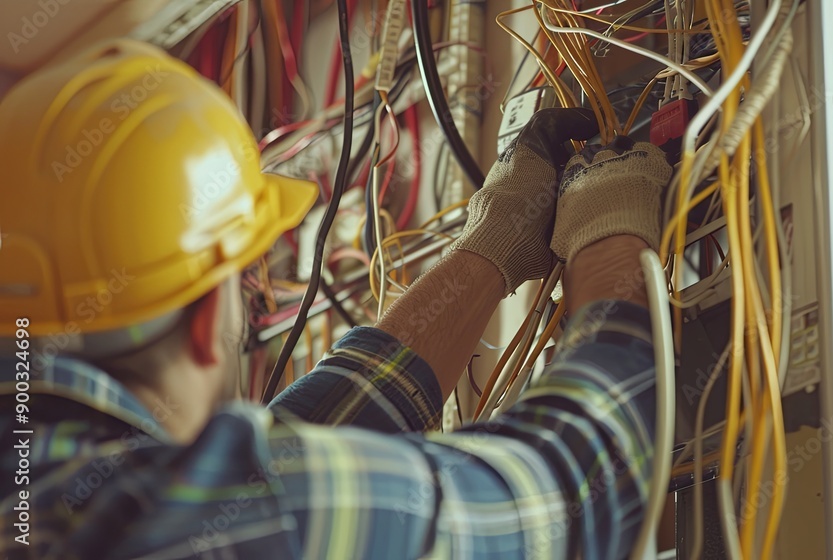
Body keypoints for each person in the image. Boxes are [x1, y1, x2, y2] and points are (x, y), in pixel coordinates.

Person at [0, 40, 673, 559]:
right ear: (210, 320)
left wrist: (492, 246)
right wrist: (608, 228)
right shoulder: (190, 523)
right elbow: (578, 479)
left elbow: (291, 460)